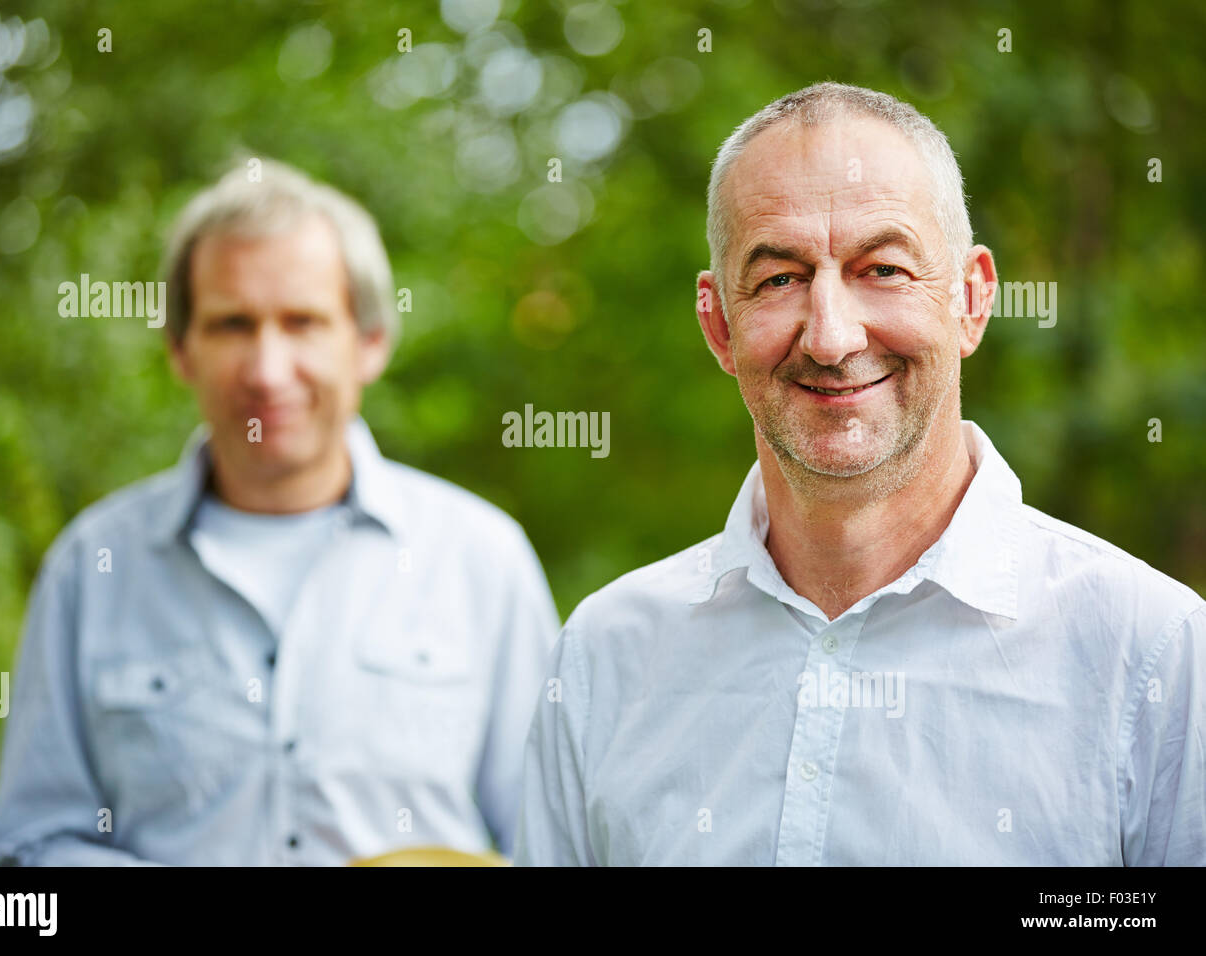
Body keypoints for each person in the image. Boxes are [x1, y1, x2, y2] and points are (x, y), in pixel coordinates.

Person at [515, 82, 1205, 866]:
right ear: (718, 325)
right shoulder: (606, 657)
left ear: (973, 300)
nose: (832, 335)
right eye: (780, 278)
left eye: (883, 268)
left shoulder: (1153, 656)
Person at [0, 159, 559, 865]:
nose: (267, 370)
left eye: (303, 322)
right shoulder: (92, 568)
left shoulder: (481, 558)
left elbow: (552, 840)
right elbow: (26, 852)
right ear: (179, 350)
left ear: (369, 343)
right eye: (232, 325)